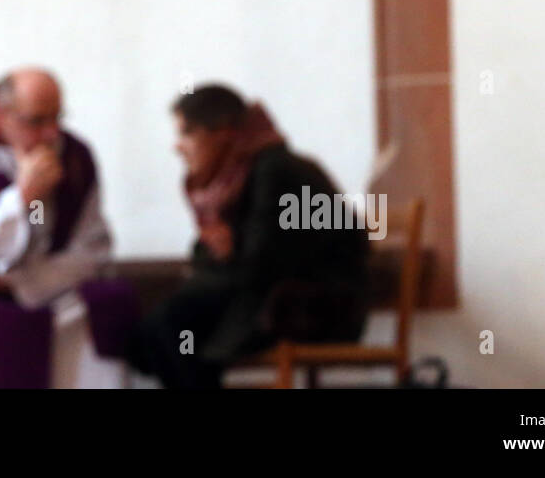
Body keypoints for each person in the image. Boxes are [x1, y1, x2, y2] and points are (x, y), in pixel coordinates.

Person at [128, 84, 370, 388]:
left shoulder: (276, 171)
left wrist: (230, 251)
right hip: (262, 296)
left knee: (173, 328)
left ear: (223, 133)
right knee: (161, 332)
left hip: (308, 307)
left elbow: (262, 261)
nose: (178, 146)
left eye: (187, 133)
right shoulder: (234, 178)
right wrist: (225, 251)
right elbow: (207, 254)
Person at [0, 68, 133, 388]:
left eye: (57, 117)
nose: (52, 133)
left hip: (46, 284)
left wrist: (12, 281)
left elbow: (94, 250)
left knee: (109, 304)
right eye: (36, 121)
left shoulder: (76, 156)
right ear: (2, 115)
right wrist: (20, 198)